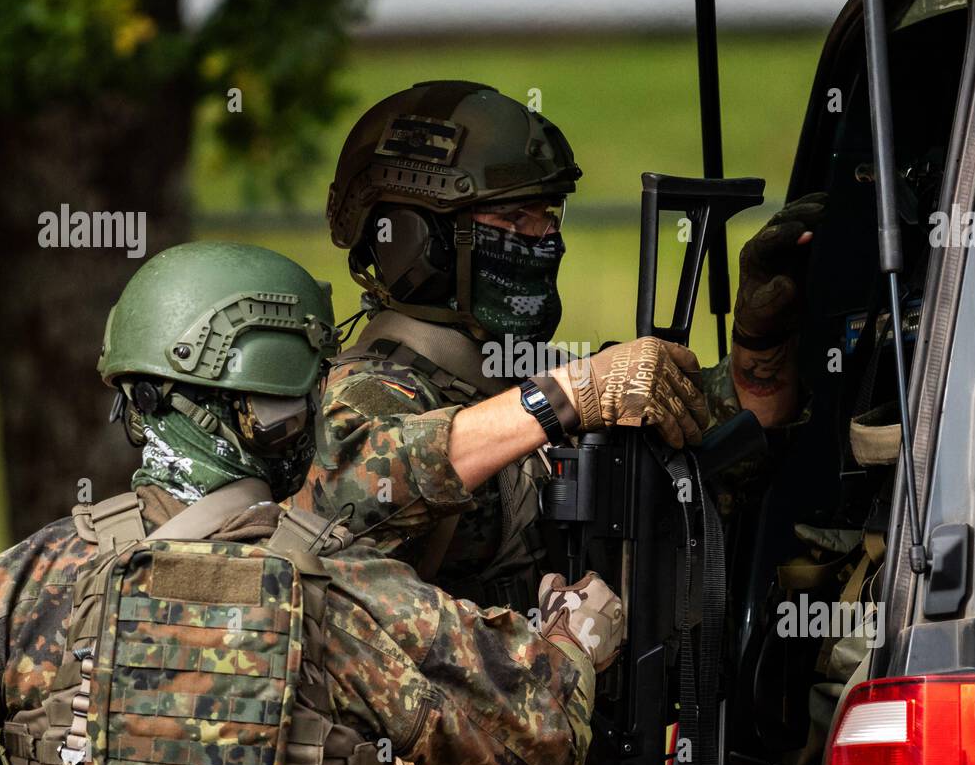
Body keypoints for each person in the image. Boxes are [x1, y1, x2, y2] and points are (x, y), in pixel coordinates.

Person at [0, 240, 622, 765]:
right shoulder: (348, 590)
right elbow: (538, 744)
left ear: (134, 403)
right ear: (276, 418)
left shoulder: (27, 583)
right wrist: (574, 640)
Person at [294, 79, 825, 611]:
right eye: (514, 218)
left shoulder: (541, 377)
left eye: (549, 214)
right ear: (417, 240)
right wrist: (569, 393)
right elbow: (342, 496)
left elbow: (742, 429)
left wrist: (761, 343)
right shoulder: (366, 390)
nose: (546, 237)